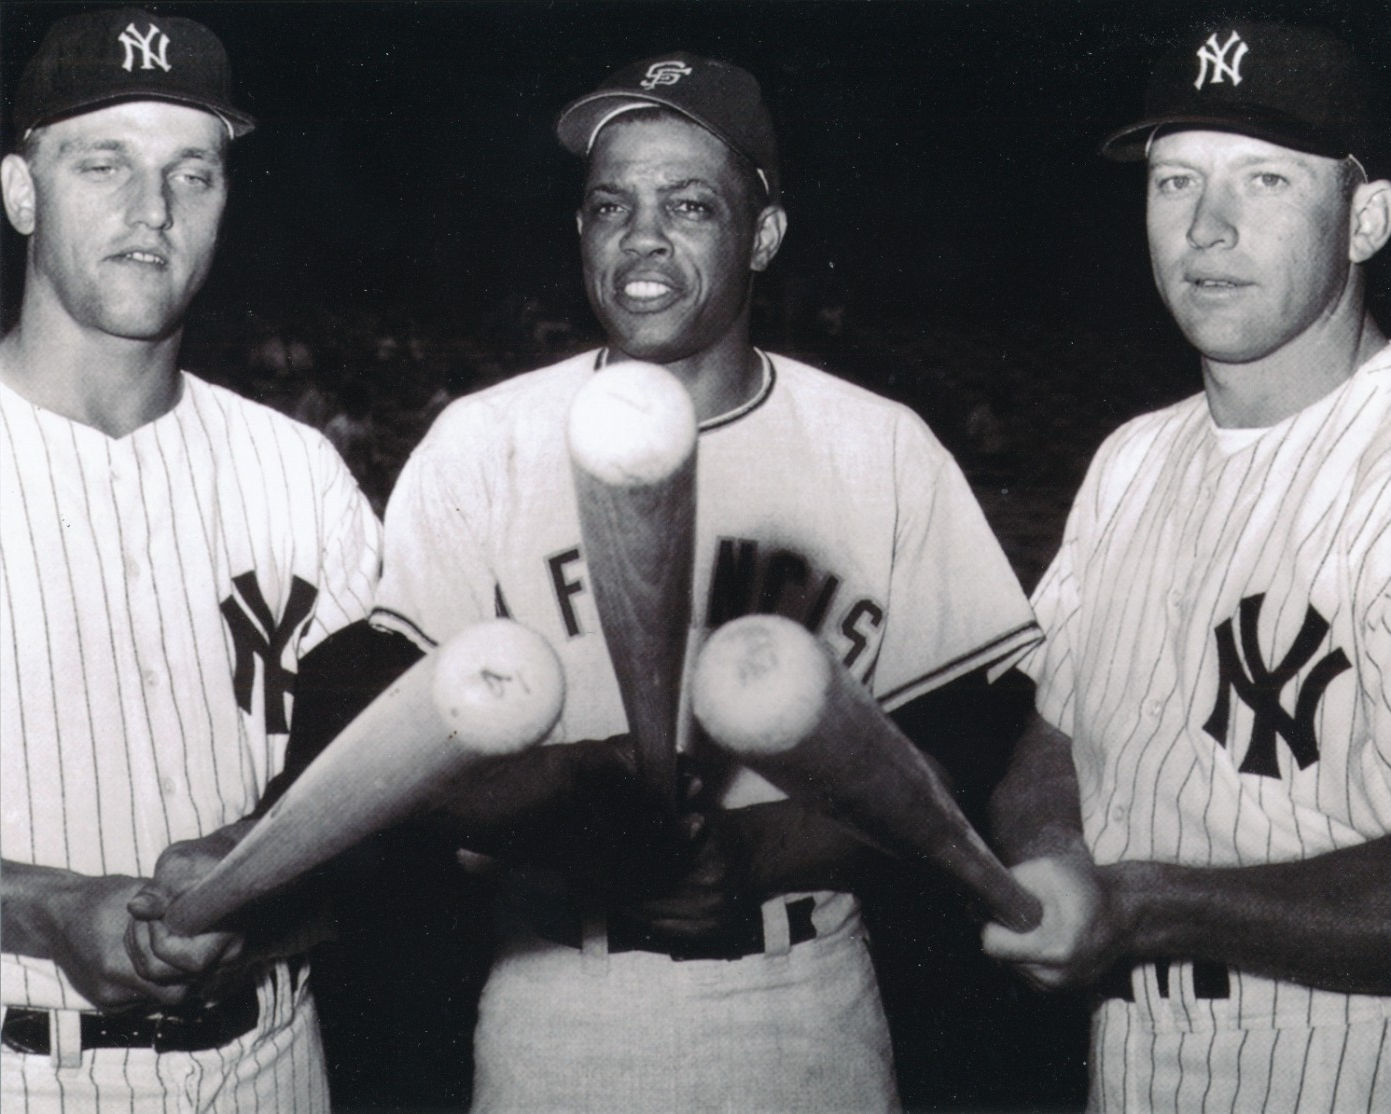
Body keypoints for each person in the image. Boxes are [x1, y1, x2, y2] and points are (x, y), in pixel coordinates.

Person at [371, 52, 1040, 1112]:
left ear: (763, 236)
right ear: (579, 232)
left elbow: (965, 737)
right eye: (609, 205)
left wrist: (757, 846)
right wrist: (579, 824)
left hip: (802, 997)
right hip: (554, 1001)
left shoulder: (878, 448)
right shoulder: (480, 442)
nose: (641, 237)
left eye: (689, 204)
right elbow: (391, 745)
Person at [982, 20, 1391, 1112]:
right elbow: (1051, 744)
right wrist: (1050, 858)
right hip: (1132, 1062)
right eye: (1174, 181)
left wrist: (1147, 904)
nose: (1207, 228)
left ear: (1364, 218)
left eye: (1262, 177)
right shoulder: (1127, 461)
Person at [0, 8, 380, 1110]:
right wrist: (40, 908)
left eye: (193, 173)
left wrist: (268, 869)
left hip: (273, 1058)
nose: (151, 210)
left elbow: (390, 805)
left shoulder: (297, 469)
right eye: (102, 162)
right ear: (21, 192)